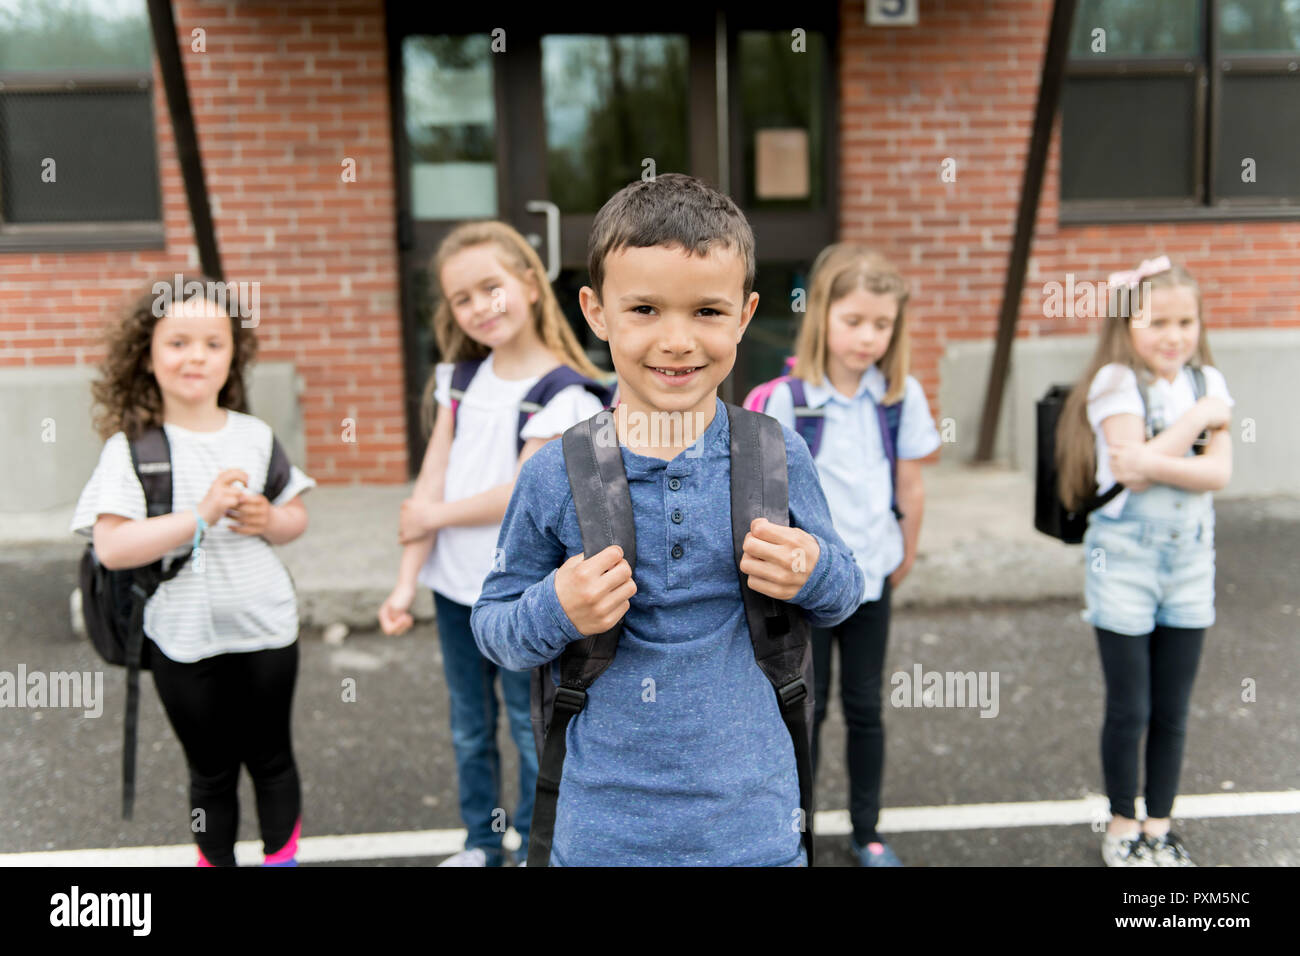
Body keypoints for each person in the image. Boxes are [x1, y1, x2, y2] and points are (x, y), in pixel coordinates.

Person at [471, 173, 865, 866]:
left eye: (707, 312)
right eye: (645, 309)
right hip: (601, 837)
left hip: (755, 835)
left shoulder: (775, 454)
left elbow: (844, 595)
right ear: (596, 311)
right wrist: (556, 608)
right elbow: (496, 629)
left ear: (745, 316)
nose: (677, 341)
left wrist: (814, 570)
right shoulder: (554, 473)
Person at [378, 220, 608, 867]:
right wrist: (405, 583)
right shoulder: (458, 379)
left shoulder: (564, 394)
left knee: (531, 726)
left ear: (531, 285)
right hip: (455, 591)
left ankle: (542, 845)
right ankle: (482, 842)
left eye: (491, 287)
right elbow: (429, 481)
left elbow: (518, 492)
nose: (480, 307)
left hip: (521, 597)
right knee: (468, 726)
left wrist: (434, 515)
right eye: (462, 298)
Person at [71, 278, 315, 867]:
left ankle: (281, 862)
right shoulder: (131, 449)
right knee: (211, 771)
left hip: (266, 629)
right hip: (181, 639)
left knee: (273, 759)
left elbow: (297, 516)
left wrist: (267, 519)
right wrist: (200, 516)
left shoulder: (254, 437)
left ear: (233, 356)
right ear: (147, 356)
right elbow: (112, 546)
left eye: (213, 343)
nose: (196, 356)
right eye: (178, 342)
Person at [757, 245, 940, 866]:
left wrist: (905, 552)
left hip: (873, 579)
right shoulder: (790, 400)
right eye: (854, 321)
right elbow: (766, 499)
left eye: (882, 325)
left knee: (866, 709)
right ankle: (795, 837)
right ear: (823, 318)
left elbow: (909, 482)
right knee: (803, 710)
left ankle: (868, 832)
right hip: (807, 588)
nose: (868, 338)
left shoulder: (898, 396)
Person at [1056, 256, 1234, 866]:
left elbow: (1220, 472)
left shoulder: (1208, 380)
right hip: (1123, 565)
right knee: (1130, 706)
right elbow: (1128, 471)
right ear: (1128, 325)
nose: (1174, 336)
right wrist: (1195, 423)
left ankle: (1159, 826)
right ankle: (1121, 826)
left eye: (1186, 321)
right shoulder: (1115, 382)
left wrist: (1162, 456)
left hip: (1189, 565)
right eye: (1157, 321)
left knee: (1172, 707)